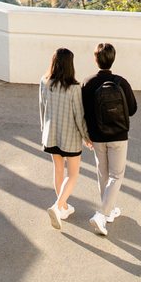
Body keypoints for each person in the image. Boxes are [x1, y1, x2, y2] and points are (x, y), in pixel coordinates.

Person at [81, 42, 137, 236]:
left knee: (102, 172)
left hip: (96, 136)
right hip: (119, 135)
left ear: (95, 59)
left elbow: (83, 111)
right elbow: (132, 109)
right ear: (113, 59)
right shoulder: (121, 82)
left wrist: (85, 134)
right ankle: (102, 214)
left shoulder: (87, 83)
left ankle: (109, 210)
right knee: (116, 175)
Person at [39, 47, 91, 231]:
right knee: (74, 174)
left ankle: (64, 208)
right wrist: (87, 137)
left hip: (50, 134)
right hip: (69, 137)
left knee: (58, 170)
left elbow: (42, 109)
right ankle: (57, 206)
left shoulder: (44, 82)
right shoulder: (74, 88)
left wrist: (43, 131)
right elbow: (79, 115)